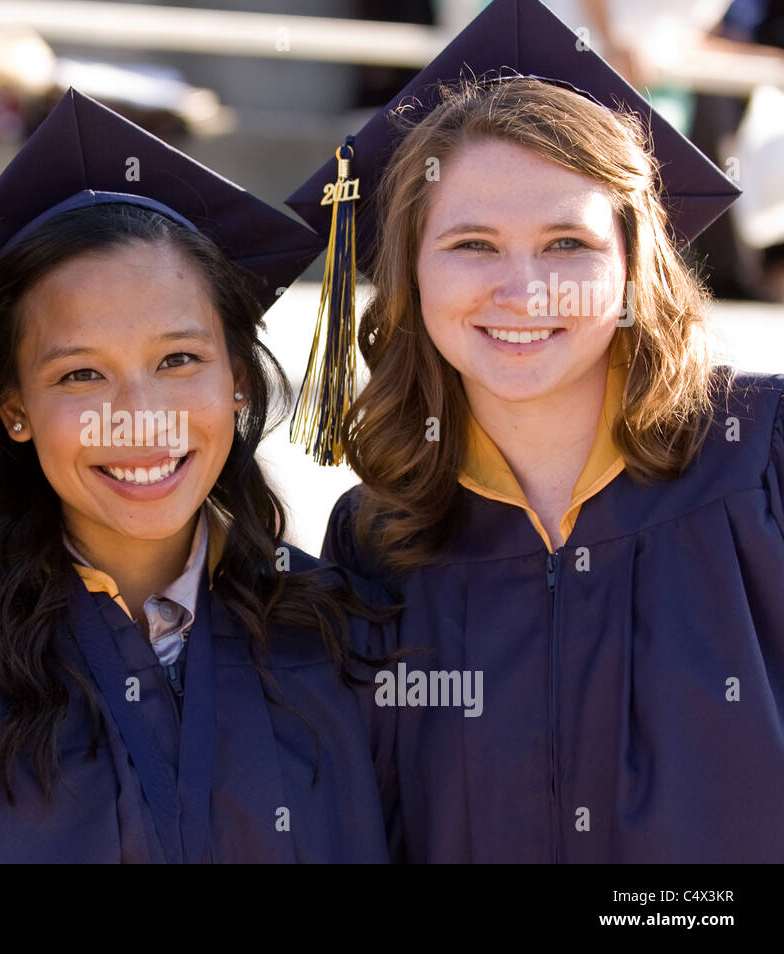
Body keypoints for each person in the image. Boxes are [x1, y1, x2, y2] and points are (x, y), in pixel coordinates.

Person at [286, 0, 784, 862]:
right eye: (473, 245)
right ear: (409, 272)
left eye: (567, 243)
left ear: (635, 262)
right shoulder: (381, 542)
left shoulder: (762, 456)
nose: (524, 291)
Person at [0, 88, 396, 863]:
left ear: (237, 381)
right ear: (13, 410)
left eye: (179, 361)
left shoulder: (342, 634)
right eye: (80, 376)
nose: (137, 415)